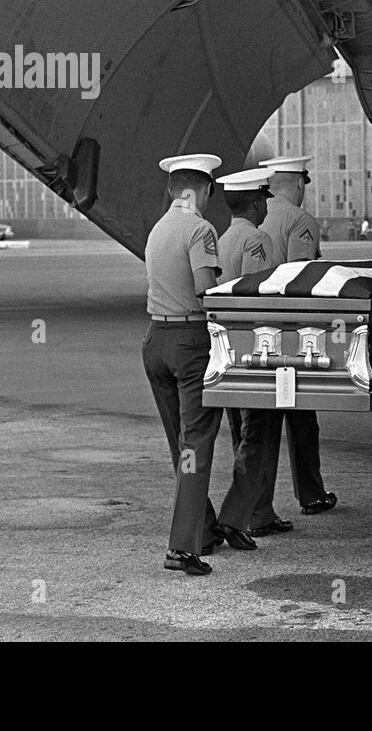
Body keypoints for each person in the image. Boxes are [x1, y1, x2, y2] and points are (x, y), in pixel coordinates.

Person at [142, 153, 226, 576]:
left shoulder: (157, 229)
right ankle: (182, 546)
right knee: (198, 443)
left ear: (173, 191)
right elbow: (204, 288)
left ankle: (204, 527)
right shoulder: (200, 229)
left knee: (181, 443)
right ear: (204, 190)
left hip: (155, 339)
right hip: (190, 342)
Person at [252, 155, 338, 530]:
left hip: (251, 334)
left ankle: (255, 506)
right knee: (301, 418)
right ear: (299, 182)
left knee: (256, 426)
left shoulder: (250, 216)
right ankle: (311, 493)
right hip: (288, 336)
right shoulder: (299, 220)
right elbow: (301, 279)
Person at [211, 166, 279, 551]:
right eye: (264, 200)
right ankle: (237, 518)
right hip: (253, 351)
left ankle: (253, 513)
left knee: (243, 435)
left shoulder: (221, 239)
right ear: (256, 202)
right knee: (258, 437)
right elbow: (259, 296)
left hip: (225, 350)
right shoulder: (258, 240)